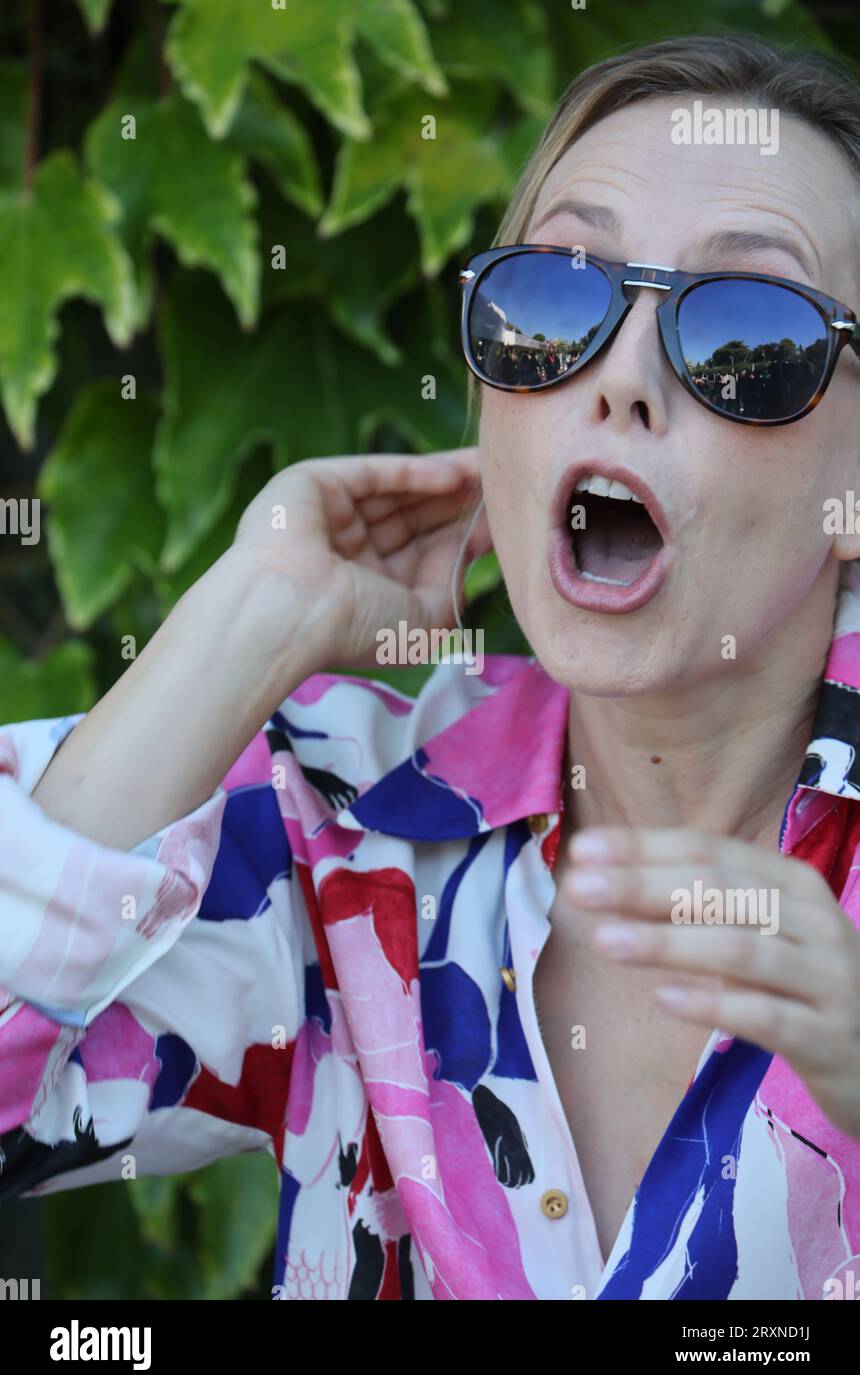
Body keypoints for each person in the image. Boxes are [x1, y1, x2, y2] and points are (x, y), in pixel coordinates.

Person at [3, 31, 860, 1303]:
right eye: (555, 299)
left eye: (746, 334)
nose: (619, 378)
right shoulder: (345, 828)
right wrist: (247, 623)